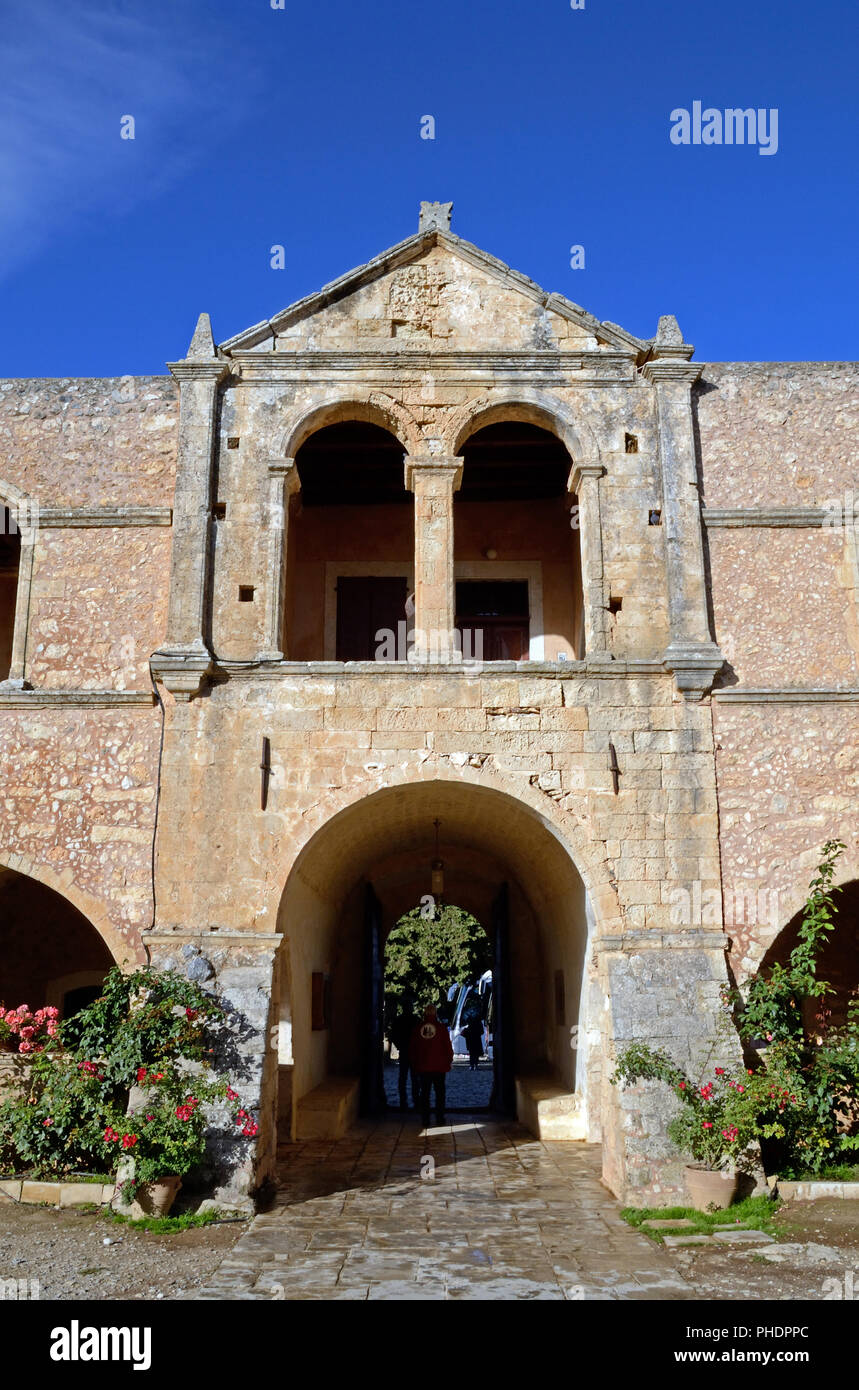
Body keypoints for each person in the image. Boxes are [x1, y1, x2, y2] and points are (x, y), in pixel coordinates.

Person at [409, 1003, 453, 1127]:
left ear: (424, 1013)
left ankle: (425, 1119)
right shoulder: (441, 1028)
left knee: (425, 1094)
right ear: (435, 1013)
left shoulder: (418, 1029)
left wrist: (414, 1063)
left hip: (423, 1067)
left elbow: (413, 1048)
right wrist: (448, 1061)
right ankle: (439, 1118)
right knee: (440, 1093)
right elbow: (447, 1047)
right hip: (439, 1067)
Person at [389, 1003, 420, 1111]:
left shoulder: (399, 1020)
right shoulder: (416, 1020)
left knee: (403, 1077)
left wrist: (399, 1046)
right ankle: (416, 1100)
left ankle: (403, 1101)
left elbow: (393, 1035)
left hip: (404, 1051)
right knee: (414, 1078)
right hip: (414, 1052)